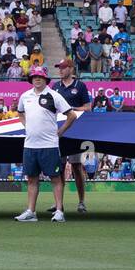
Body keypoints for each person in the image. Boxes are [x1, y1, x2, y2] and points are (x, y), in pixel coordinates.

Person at [15, 65, 79, 223]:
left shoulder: (53, 95)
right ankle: (31, 211)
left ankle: (59, 211)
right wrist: (27, 126)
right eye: (34, 77)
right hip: (30, 145)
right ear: (31, 79)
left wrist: (61, 131)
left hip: (49, 145)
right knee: (31, 179)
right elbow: (20, 112)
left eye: (40, 77)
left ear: (45, 79)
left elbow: (71, 115)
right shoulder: (25, 96)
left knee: (55, 178)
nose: (37, 79)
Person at [49, 58, 91, 213]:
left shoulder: (80, 86)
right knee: (58, 169)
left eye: (63, 67)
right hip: (59, 132)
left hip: (75, 133)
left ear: (71, 69)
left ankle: (81, 201)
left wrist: (71, 109)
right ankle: (58, 204)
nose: (60, 70)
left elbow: (88, 108)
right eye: (59, 67)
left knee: (77, 167)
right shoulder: (55, 87)